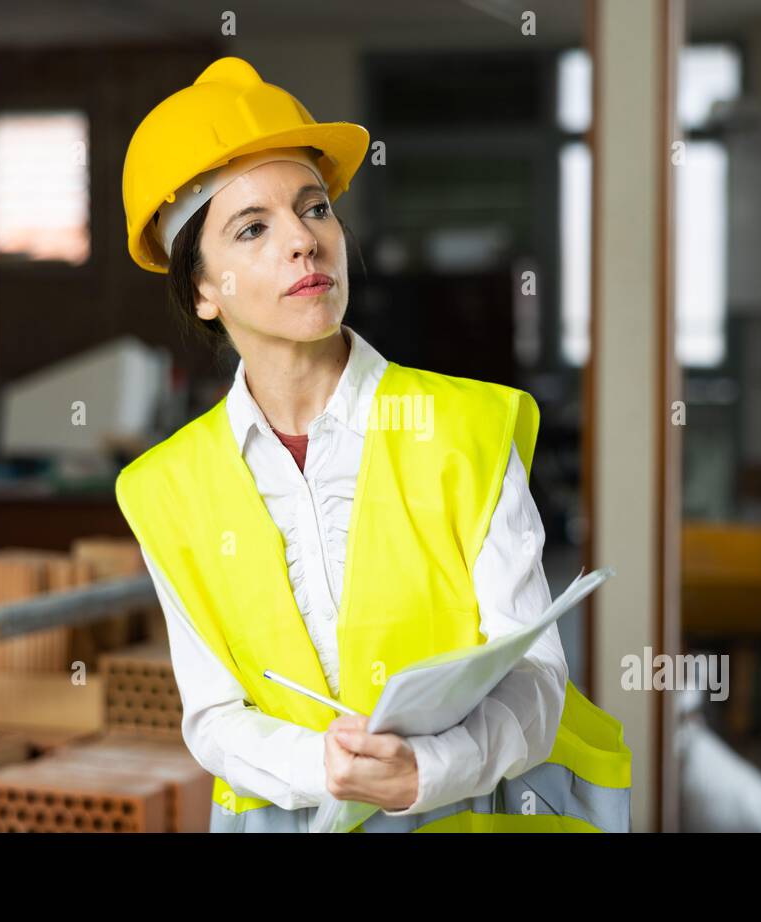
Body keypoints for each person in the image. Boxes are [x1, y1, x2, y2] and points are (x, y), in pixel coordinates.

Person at [117, 56, 630, 832]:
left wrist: (426, 772)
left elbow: (536, 680)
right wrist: (326, 767)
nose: (304, 241)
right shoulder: (165, 490)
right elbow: (215, 716)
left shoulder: (466, 430)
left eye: (314, 208)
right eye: (253, 228)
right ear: (203, 289)